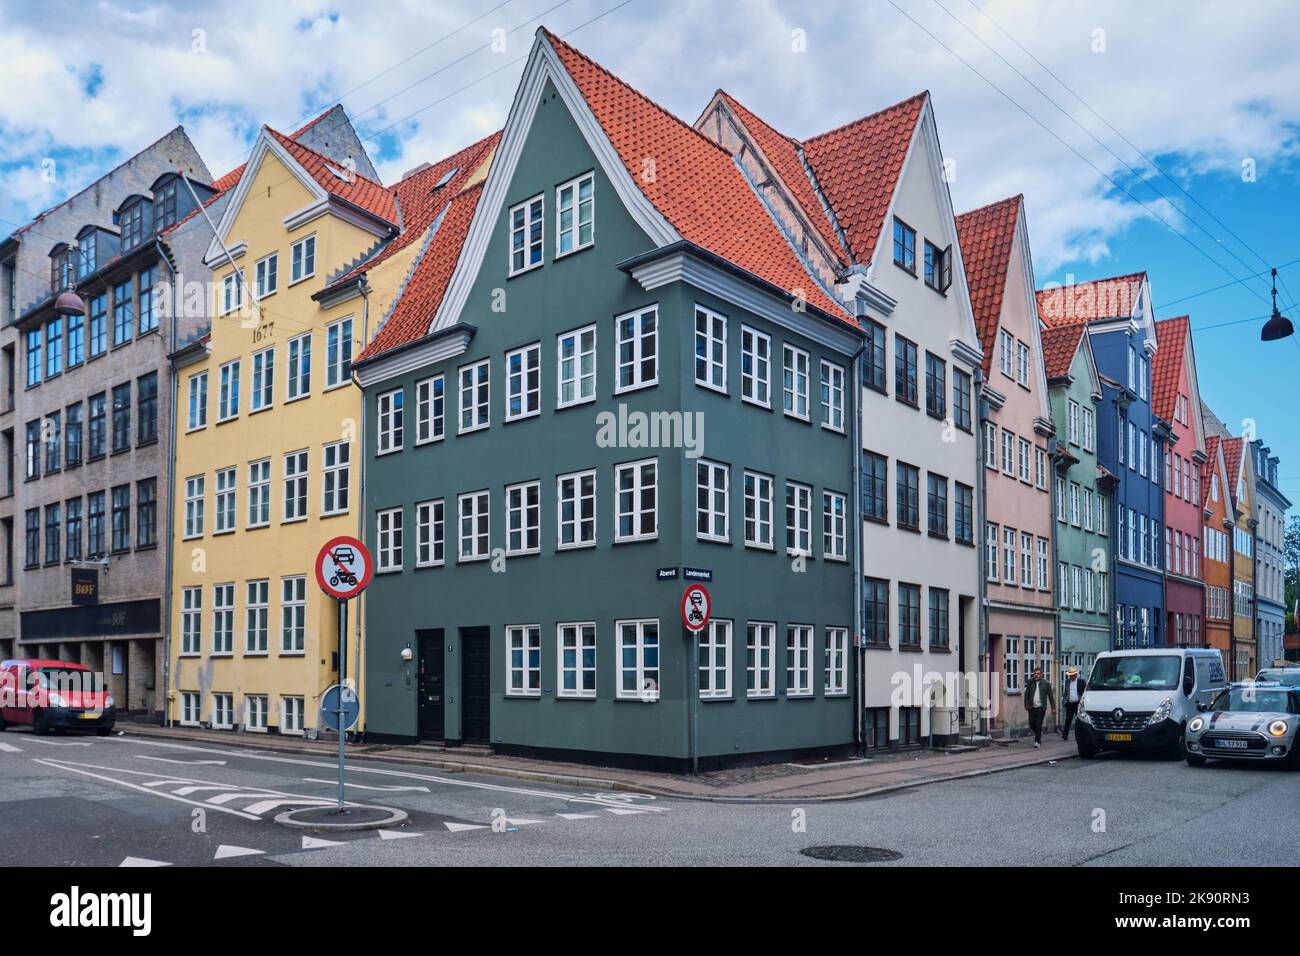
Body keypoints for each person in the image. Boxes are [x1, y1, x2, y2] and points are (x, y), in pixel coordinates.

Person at [1023, 666, 1055, 748]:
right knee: (1031, 724)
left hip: (1041, 708)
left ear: (1041, 675)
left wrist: (1053, 708)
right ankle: (1039, 734)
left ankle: (1037, 741)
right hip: (1032, 707)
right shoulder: (1030, 682)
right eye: (1035, 673)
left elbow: (1051, 696)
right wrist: (1025, 704)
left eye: (1038, 674)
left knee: (1038, 724)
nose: (1036, 675)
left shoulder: (1046, 683)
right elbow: (1026, 694)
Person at [1061, 666, 1086, 740]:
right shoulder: (1067, 682)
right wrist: (1065, 700)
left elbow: (1085, 691)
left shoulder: (1081, 681)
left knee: (1080, 719)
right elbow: (1066, 692)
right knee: (1068, 719)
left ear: (1076, 675)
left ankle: (1083, 734)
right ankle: (1065, 734)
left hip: (1078, 703)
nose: (1071, 676)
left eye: (1073, 675)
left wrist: (1083, 701)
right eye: (1070, 675)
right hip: (1070, 703)